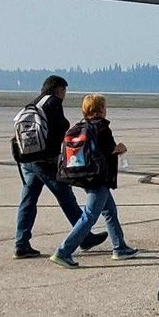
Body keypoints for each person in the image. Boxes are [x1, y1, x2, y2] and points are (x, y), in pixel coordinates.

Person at [13, 75, 107, 259]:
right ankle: (85, 237)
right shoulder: (53, 102)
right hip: (45, 162)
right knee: (66, 197)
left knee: (28, 201)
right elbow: (60, 129)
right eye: (64, 90)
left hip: (27, 160)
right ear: (58, 89)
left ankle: (21, 243)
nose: (64, 94)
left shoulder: (33, 104)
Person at [50, 94, 137, 268]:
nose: (106, 110)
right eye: (104, 106)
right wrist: (121, 148)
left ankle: (119, 247)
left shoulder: (79, 127)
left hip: (84, 176)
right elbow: (109, 150)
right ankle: (63, 251)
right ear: (100, 109)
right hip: (99, 178)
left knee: (110, 212)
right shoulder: (102, 128)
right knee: (90, 216)